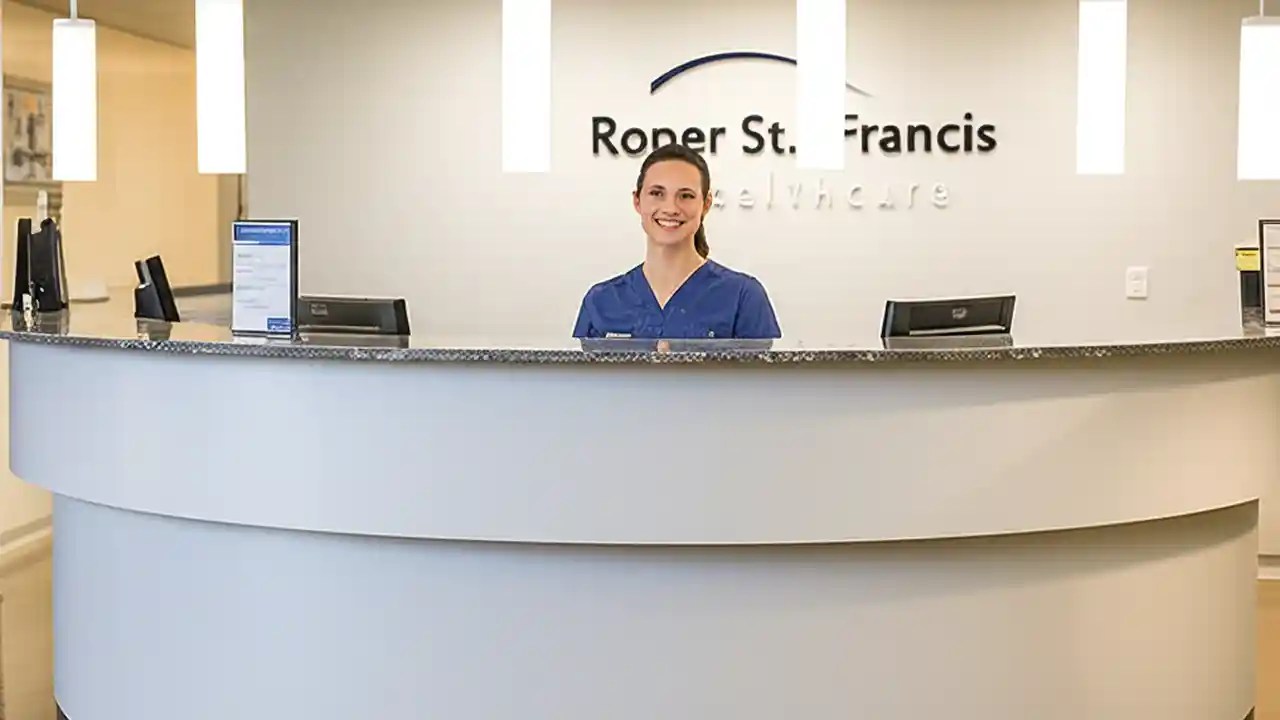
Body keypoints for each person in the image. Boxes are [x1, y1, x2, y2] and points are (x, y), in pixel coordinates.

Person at [572, 143, 782, 340]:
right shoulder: (601, 301)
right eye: (656, 193)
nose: (671, 208)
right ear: (637, 201)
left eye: (686, 196)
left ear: (706, 204)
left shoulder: (743, 298)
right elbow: (579, 379)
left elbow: (766, 379)